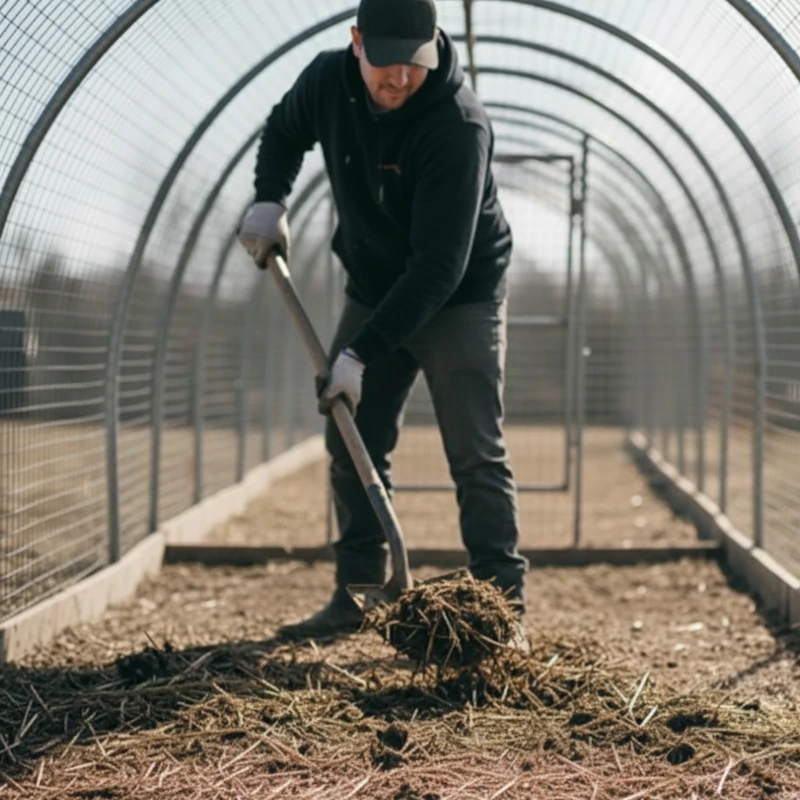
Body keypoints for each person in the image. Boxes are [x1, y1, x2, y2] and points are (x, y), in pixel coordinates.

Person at [238, 0, 528, 640]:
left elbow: (437, 268)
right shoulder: (325, 82)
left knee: (477, 453)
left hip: (460, 298)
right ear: (357, 42)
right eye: (386, 63)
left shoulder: (457, 124)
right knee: (350, 440)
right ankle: (360, 593)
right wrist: (269, 197)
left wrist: (358, 354)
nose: (400, 78)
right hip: (373, 288)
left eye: (415, 63)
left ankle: (502, 615)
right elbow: (283, 131)